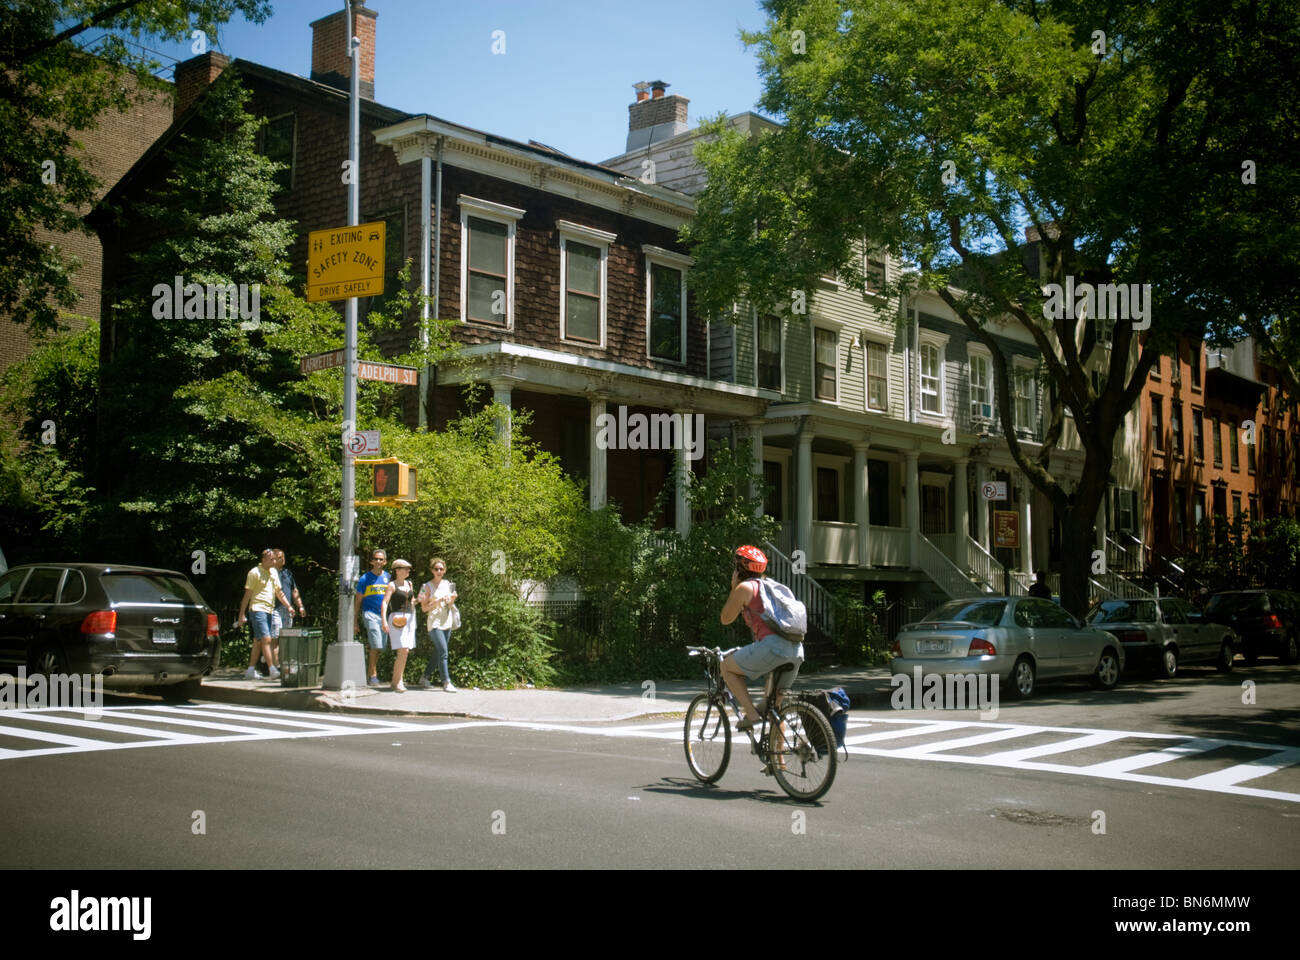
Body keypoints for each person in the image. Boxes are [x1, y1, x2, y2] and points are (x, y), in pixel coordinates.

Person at [718, 545, 804, 735]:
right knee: (774, 709)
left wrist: (734, 588)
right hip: (796, 650)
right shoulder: (774, 587)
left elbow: (725, 618)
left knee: (726, 667)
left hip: (772, 648)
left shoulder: (744, 588)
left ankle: (751, 715)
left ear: (740, 568)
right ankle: (778, 763)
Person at [237, 548, 291, 680]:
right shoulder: (254, 573)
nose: (274, 561)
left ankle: (250, 670)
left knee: (258, 641)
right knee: (267, 639)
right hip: (257, 609)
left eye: (275, 559)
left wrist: (288, 606)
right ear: (264, 560)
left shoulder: (273, 572)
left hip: (269, 610)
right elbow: (247, 595)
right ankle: (272, 669)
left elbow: (279, 592)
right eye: (271, 559)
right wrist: (241, 614)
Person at [417, 557, 458, 691]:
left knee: (439, 652)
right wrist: (438, 600)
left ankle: (424, 677)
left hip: (447, 620)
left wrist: (451, 599)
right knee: (444, 652)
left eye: (441, 569)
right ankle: (446, 682)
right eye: (436, 569)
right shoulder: (425, 587)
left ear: (444, 570)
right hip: (434, 623)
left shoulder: (448, 584)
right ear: (432, 570)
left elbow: (451, 603)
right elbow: (423, 608)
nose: (439, 571)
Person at [355, 548, 391, 687]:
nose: (378, 561)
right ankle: (373, 675)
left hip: (383, 616)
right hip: (369, 614)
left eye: (380, 559)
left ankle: (369, 673)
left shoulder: (388, 577)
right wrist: (355, 621)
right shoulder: (365, 579)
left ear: (385, 562)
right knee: (376, 644)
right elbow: (358, 601)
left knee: (380, 646)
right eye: (375, 559)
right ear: (371, 561)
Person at [382, 559, 417, 692]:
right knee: (403, 650)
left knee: (405, 651)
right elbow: (385, 602)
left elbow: (411, 602)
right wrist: (384, 620)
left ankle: (395, 681)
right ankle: (399, 682)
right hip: (396, 619)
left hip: (409, 619)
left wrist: (421, 600)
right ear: (397, 570)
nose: (408, 571)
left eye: (409, 568)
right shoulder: (392, 585)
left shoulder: (410, 584)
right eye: (405, 568)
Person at [270, 548, 306, 663]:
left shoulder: (287, 573)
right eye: (280, 557)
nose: (283, 559)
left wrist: (300, 606)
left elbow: (294, 591)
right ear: (274, 559)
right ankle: (276, 667)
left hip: (287, 609)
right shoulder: (270, 573)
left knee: (285, 638)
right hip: (274, 608)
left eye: (284, 556)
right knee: (275, 637)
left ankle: (284, 665)